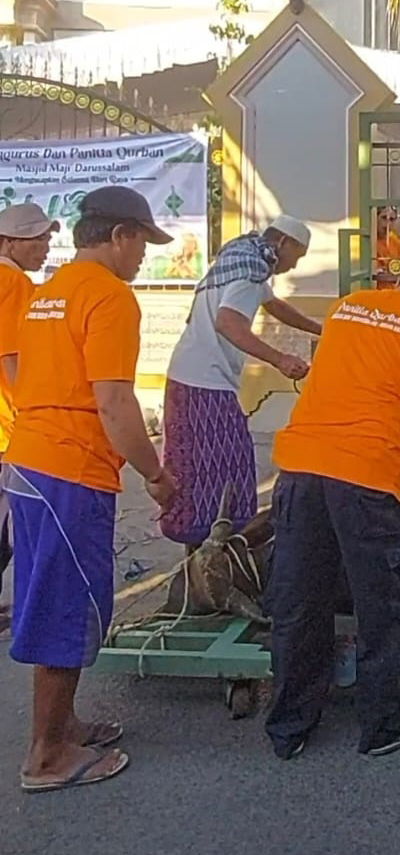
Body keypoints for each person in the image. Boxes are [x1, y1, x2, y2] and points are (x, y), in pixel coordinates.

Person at [3, 186, 176, 792]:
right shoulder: (109, 297)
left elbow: (21, 373)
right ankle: (46, 756)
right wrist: (155, 473)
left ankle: (63, 723)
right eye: (142, 245)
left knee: (51, 596)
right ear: (121, 235)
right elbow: (114, 400)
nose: (142, 259)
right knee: (63, 605)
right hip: (69, 473)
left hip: (29, 463)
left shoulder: (48, 293)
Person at [265, 250, 400, 760]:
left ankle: (289, 728)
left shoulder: (345, 308)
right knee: (384, 604)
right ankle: (382, 725)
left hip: (301, 469)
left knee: (299, 600)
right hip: (369, 476)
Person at [161, 216, 319, 550]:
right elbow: (228, 323)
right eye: (297, 257)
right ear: (284, 244)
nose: (292, 266)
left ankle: (204, 551)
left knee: (203, 467)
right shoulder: (250, 271)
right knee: (222, 472)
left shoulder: (242, 259)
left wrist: (322, 330)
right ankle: (209, 557)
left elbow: (275, 306)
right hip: (205, 382)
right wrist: (280, 360)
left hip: (189, 376)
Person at [0, 203, 60, 634]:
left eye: (46, 238)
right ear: (8, 242)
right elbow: (11, 354)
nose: (44, 246)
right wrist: (30, 409)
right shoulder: (14, 282)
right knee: (6, 526)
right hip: (6, 421)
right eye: (35, 239)